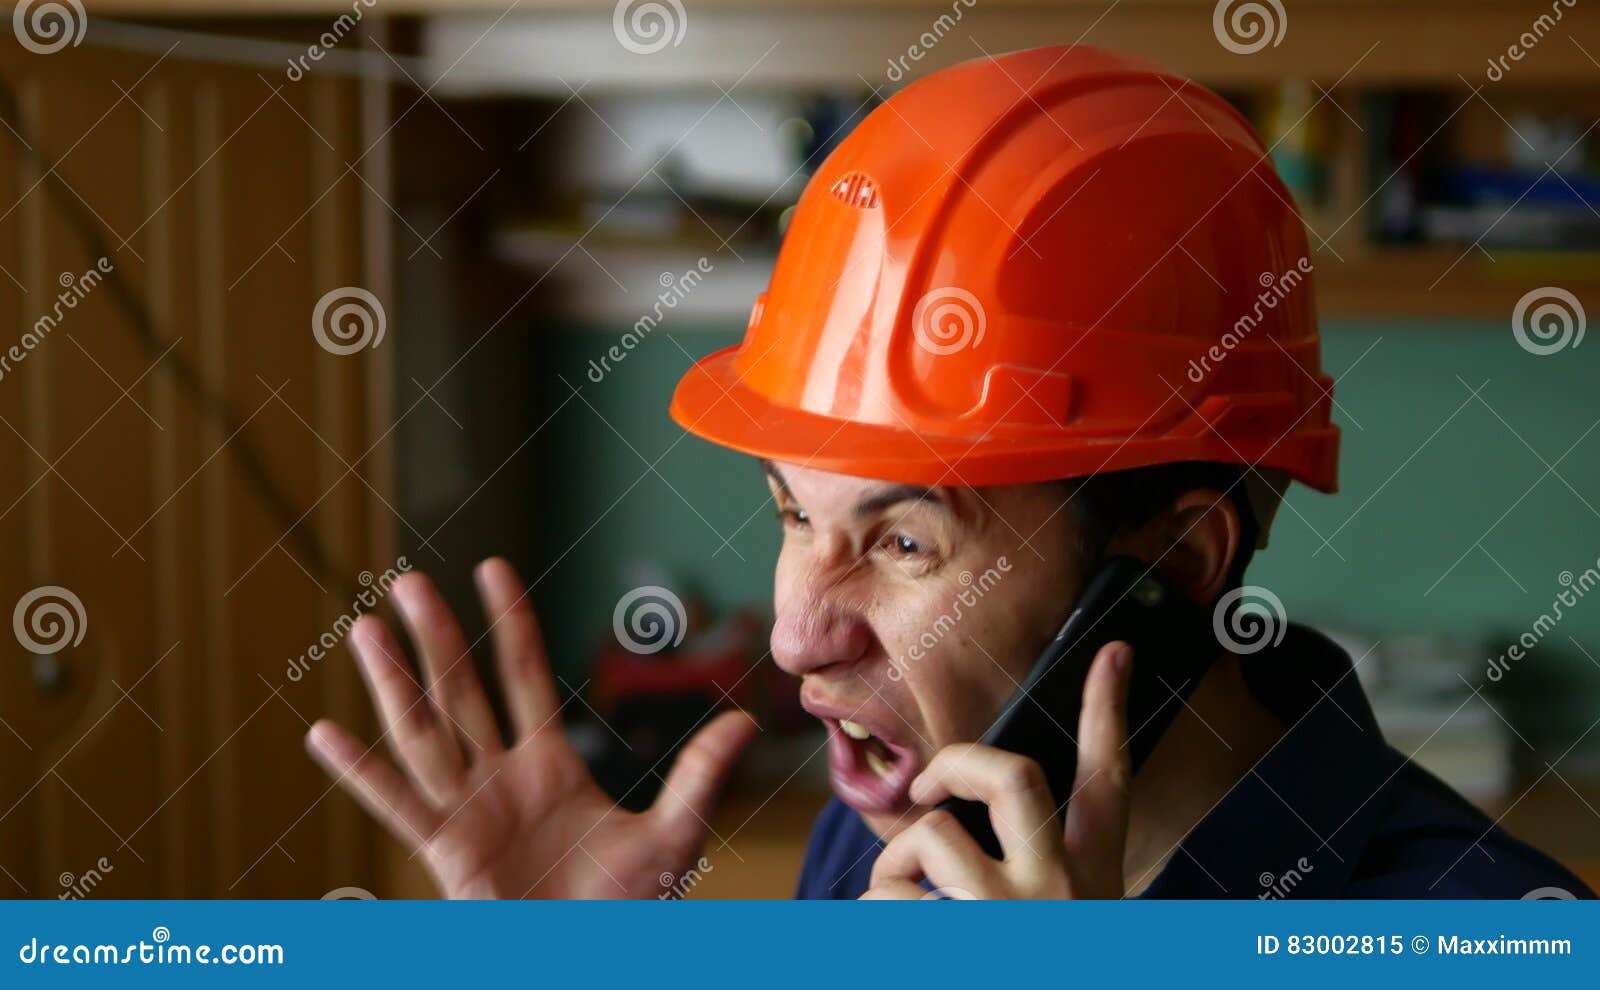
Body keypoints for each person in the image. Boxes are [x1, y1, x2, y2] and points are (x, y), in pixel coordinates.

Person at [304, 45, 1592, 900]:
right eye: (792, 514)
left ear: (1173, 566)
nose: (799, 635)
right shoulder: (881, 845)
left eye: (906, 542)